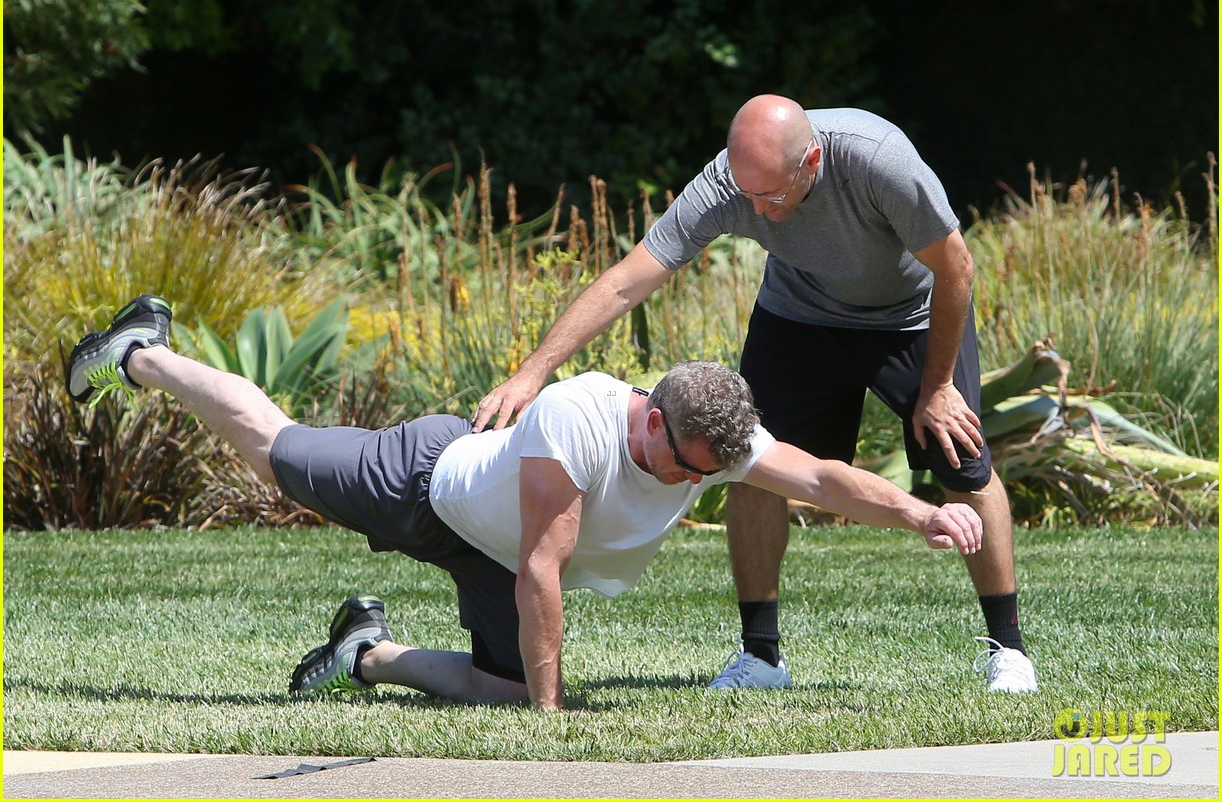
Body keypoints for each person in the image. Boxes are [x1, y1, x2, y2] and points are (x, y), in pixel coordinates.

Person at [67, 294, 985, 710]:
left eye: (713, 470)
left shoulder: (716, 442)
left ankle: (364, 650)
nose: (696, 483)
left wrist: (923, 514)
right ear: (653, 423)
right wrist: (554, 725)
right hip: (425, 481)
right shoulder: (577, 419)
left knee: (498, 687)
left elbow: (823, 477)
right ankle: (142, 350)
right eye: (688, 468)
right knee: (274, 447)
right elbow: (545, 564)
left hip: (494, 552)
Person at [473, 95, 1038, 693]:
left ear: (812, 161)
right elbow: (625, 283)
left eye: (771, 196)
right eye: (746, 195)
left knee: (962, 463)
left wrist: (939, 385)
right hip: (799, 316)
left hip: (911, 316)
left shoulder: (878, 162)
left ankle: (1008, 650)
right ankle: (761, 657)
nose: (758, 213)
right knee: (748, 466)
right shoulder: (730, 183)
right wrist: (534, 369)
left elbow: (956, 267)